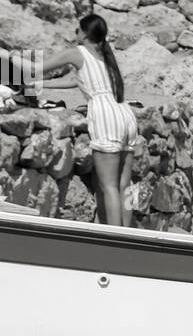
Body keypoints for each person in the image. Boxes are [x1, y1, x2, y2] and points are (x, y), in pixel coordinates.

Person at [34, 12, 139, 227]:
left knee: (108, 185)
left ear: (83, 33)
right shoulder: (105, 54)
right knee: (126, 185)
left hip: (105, 116)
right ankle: (131, 232)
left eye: (76, 31)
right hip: (126, 114)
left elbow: (36, 69)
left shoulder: (77, 52)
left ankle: (117, 238)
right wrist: (42, 86)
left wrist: (8, 67)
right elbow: (77, 81)